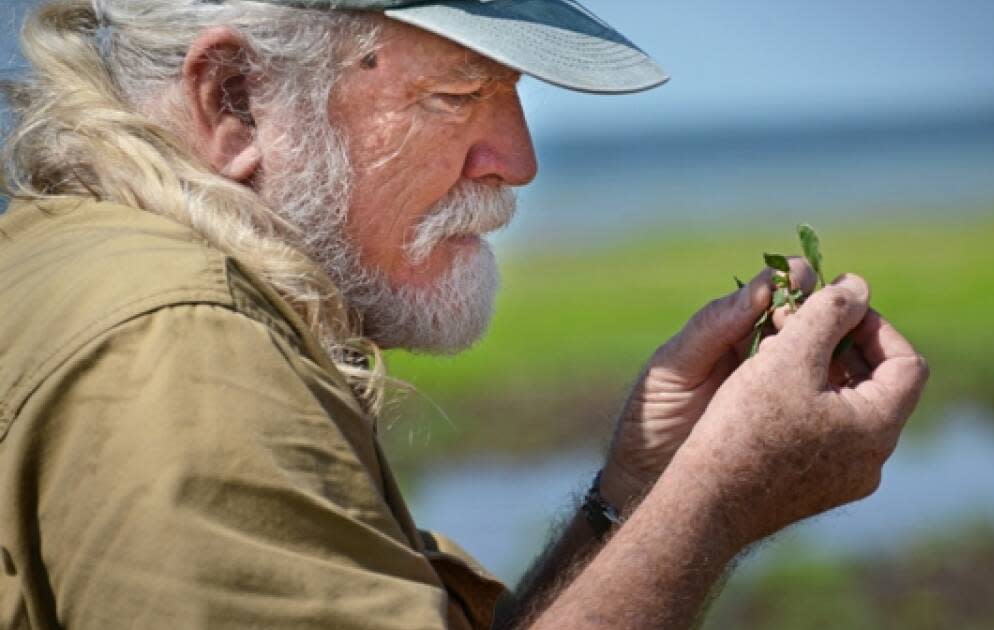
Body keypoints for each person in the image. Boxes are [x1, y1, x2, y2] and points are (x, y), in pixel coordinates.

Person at [0, 1, 929, 628]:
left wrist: (643, 491)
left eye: (512, 97)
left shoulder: (96, 272)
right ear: (236, 100)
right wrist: (717, 504)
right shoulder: (179, 347)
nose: (517, 160)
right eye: (456, 96)